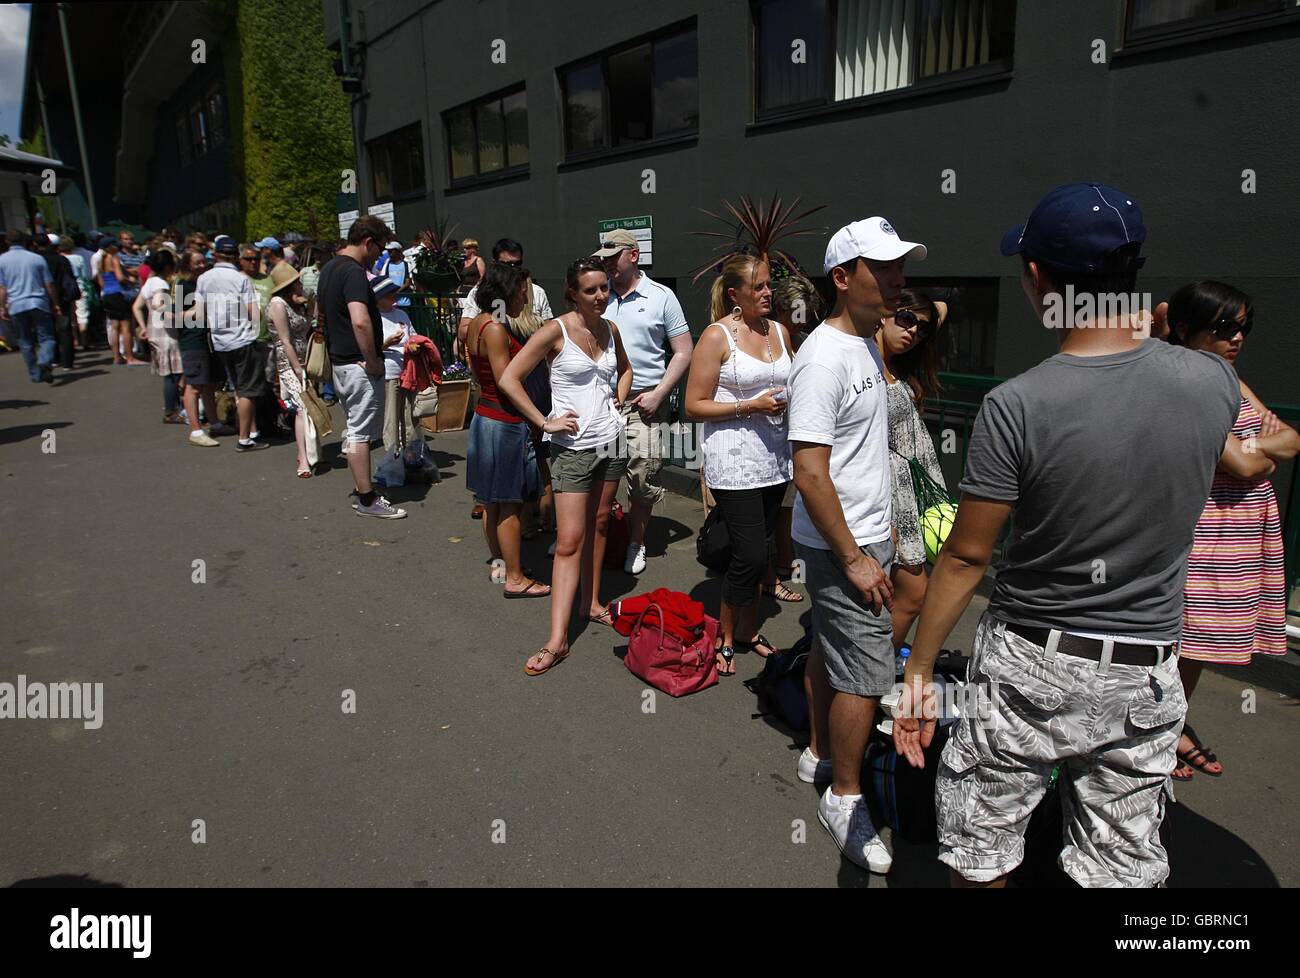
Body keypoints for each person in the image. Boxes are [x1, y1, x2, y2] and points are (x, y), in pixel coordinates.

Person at [893, 184, 1240, 889]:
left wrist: (920, 674)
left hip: (1032, 661)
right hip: (1146, 666)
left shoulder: (1018, 404)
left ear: (1036, 278)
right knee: (1119, 866)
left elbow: (965, 556)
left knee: (984, 848)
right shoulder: (1213, 380)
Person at [788, 217, 921, 873]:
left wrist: (883, 528)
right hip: (844, 550)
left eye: (900, 268)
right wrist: (855, 556)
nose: (897, 280)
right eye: (883, 268)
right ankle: (844, 796)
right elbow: (808, 471)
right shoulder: (821, 359)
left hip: (866, 535)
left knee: (829, 651)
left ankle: (818, 753)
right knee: (867, 677)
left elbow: (855, 455)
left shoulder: (867, 341)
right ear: (843, 278)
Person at [1163, 281, 1296, 780]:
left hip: (1238, 535)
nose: (1237, 338)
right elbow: (1242, 462)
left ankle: (1172, 726)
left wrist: (1261, 450)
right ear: (1184, 327)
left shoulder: (1228, 377)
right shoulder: (1185, 381)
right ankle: (1155, 733)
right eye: (1224, 327)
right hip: (1204, 530)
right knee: (1177, 638)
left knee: (1198, 644)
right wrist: (1263, 452)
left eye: (1244, 328)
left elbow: (1293, 439)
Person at [497, 257, 633, 677]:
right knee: (570, 539)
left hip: (610, 442)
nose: (600, 296)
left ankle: (591, 605)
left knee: (602, 524)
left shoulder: (611, 329)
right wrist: (543, 422)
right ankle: (557, 640)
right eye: (590, 290)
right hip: (571, 449)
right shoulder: (554, 331)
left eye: (604, 288)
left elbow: (625, 371)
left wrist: (618, 399)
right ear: (573, 293)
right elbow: (508, 378)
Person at [685, 255, 793, 675]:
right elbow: (694, 405)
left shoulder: (779, 331)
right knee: (748, 554)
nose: (769, 293)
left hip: (775, 459)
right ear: (735, 295)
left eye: (770, 285)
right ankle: (724, 636)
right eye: (760, 287)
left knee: (761, 546)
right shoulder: (717, 337)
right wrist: (750, 405)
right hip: (734, 461)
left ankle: (748, 629)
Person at [593, 229, 693, 574]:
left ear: (633, 255)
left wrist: (660, 393)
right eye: (602, 258)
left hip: (644, 401)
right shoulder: (597, 296)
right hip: (602, 401)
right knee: (596, 472)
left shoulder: (661, 296)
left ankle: (636, 541)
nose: (606, 264)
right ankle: (597, 534)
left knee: (642, 475)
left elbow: (683, 351)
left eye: (612, 257)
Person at [464, 262, 550, 599]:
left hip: (486, 418)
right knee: (510, 504)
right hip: (504, 423)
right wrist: (541, 420)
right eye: (521, 292)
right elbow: (507, 382)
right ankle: (515, 578)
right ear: (506, 290)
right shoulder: (496, 329)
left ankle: (501, 567)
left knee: (492, 502)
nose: (525, 299)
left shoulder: (478, 324)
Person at [457, 238, 555, 522]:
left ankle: (540, 522)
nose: (513, 269)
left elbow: (549, 330)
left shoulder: (535, 292)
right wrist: (542, 420)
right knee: (506, 496)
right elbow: (504, 378)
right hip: (506, 401)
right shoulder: (490, 316)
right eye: (506, 264)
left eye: (517, 264)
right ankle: (518, 542)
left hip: (527, 386)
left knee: (535, 459)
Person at [318, 215, 406, 518]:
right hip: (357, 364)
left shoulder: (329, 268)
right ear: (368, 242)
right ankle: (366, 498)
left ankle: (364, 491)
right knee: (360, 433)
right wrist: (372, 360)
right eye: (379, 249)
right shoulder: (354, 272)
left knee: (355, 428)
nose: (380, 255)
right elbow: (359, 319)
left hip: (340, 362)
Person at [876, 290, 948, 654]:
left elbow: (941, 309)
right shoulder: (864, 363)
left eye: (920, 329)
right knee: (912, 592)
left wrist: (912, 315)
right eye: (905, 319)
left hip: (910, 492)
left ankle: (871, 668)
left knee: (894, 594)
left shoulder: (896, 365)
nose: (912, 332)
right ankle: (872, 670)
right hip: (885, 494)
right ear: (885, 312)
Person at [767, 271, 826, 601]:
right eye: (798, 311)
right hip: (771, 439)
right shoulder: (768, 340)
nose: (803, 318)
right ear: (781, 308)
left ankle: (786, 564)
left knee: (790, 505)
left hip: (796, 436)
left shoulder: (803, 342)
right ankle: (774, 572)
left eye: (807, 311)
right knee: (775, 510)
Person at [196, 235, 267, 451]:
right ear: (236, 256)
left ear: (216, 254)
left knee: (238, 388)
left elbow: (200, 315)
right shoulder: (241, 279)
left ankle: (251, 431)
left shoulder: (203, 278)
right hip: (243, 339)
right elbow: (254, 314)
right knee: (248, 392)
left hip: (220, 341)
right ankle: (245, 438)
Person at [267, 262, 320, 476]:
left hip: (303, 357)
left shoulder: (292, 303)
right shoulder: (278, 304)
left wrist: (311, 308)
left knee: (308, 406)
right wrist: (297, 368)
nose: (300, 285)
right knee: (301, 407)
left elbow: (305, 328)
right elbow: (285, 340)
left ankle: (311, 451)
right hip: (289, 362)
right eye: (296, 282)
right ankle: (303, 458)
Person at [171, 250, 225, 447]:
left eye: (204, 261)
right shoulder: (182, 286)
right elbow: (171, 316)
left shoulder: (203, 284)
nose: (203, 265)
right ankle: (195, 430)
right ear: (187, 265)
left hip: (209, 339)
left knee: (209, 383)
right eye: (197, 262)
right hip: (192, 341)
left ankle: (216, 424)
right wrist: (196, 311)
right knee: (193, 386)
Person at [0, 228, 59, 383]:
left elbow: (2, 288)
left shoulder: (2, 260)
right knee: (47, 337)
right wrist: (55, 303)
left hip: (16, 304)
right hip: (38, 301)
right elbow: (49, 284)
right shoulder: (36, 258)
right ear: (25, 241)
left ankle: (35, 374)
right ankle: (45, 360)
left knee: (25, 340)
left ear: (7, 241)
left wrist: (2, 307)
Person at [134, 249, 185, 423]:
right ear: (167, 266)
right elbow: (157, 304)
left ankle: (173, 409)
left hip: (154, 330)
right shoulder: (160, 285)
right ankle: (171, 411)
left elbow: (136, 306)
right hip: (166, 332)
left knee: (168, 374)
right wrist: (175, 311)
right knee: (173, 375)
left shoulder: (149, 282)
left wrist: (143, 327)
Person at [374, 275, 417, 460]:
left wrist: (415, 344)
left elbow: (413, 334)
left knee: (410, 417)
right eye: (389, 294)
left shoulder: (401, 314)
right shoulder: (374, 318)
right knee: (391, 418)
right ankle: (392, 458)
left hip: (408, 371)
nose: (394, 296)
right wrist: (386, 343)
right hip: (389, 371)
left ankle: (412, 456)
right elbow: (370, 347)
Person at [97, 236, 145, 366]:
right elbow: (120, 277)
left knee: (114, 327)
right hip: (118, 293)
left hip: (107, 293)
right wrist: (130, 281)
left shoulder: (100, 260)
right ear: (110, 247)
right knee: (126, 327)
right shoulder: (114, 258)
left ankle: (116, 357)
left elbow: (100, 280)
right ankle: (130, 357)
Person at [60, 236, 91, 351]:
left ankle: (75, 340)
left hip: (65, 290)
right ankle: (84, 340)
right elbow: (85, 275)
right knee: (82, 315)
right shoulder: (78, 258)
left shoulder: (59, 258)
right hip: (79, 287)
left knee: (71, 316)